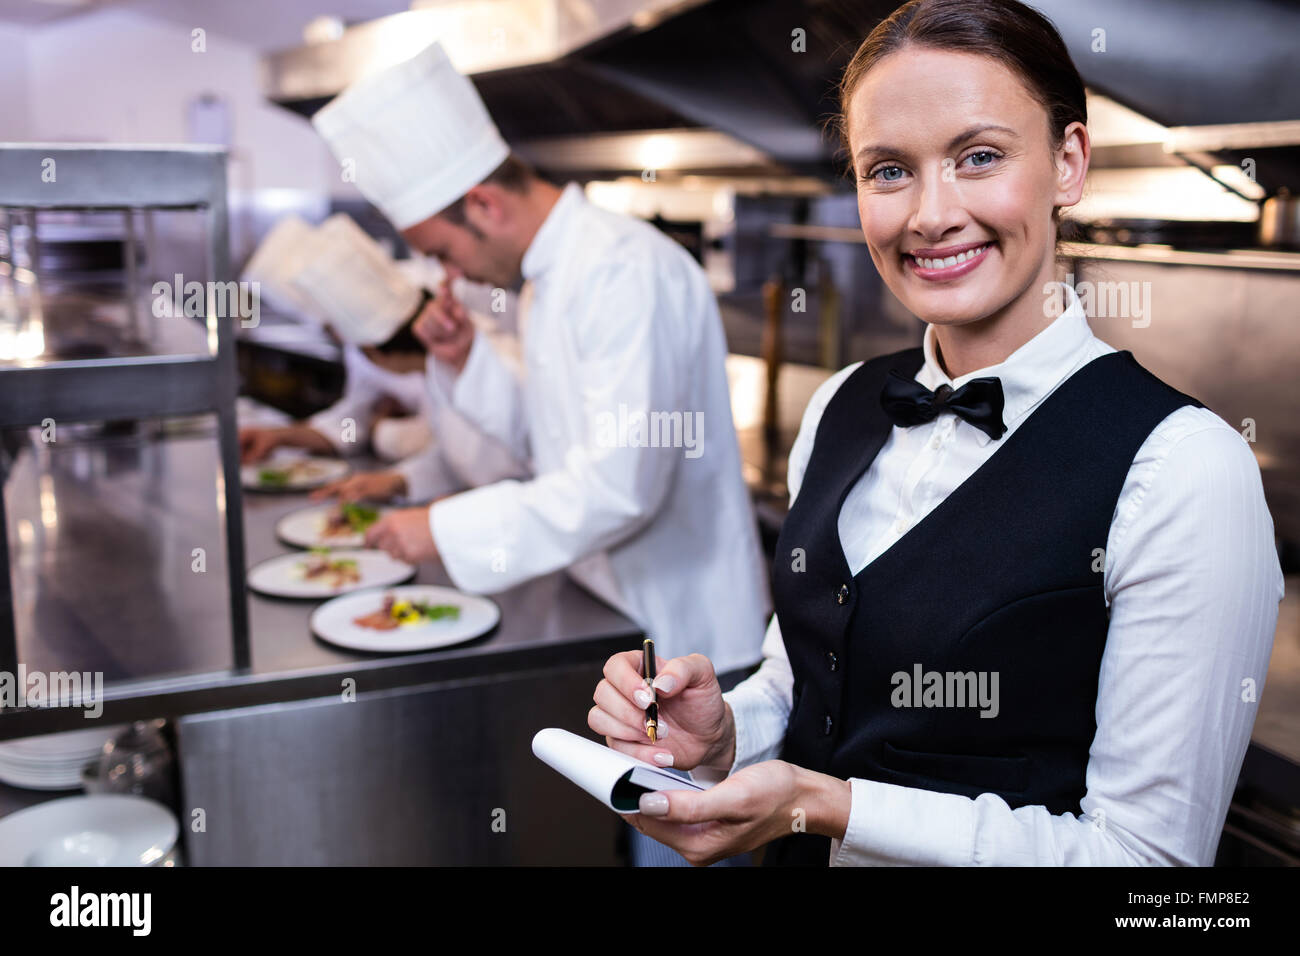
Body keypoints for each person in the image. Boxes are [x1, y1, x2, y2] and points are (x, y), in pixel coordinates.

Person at [587, 0, 1285, 866]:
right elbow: (803, 682)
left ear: (1069, 164)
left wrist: (832, 807)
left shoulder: (1183, 469)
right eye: (888, 171)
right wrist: (726, 733)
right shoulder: (844, 402)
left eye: (979, 156)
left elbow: (1146, 864)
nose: (929, 214)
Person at [310, 42, 769, 760]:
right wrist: (465, 361)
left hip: (683, 638)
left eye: (439, 249)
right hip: (620, 621)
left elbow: (619, 489)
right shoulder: (550, 280)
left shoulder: (620, 272)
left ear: (484, 205)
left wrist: (445, 528)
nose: (443, 271)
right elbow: (549, 442)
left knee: (687, 844)